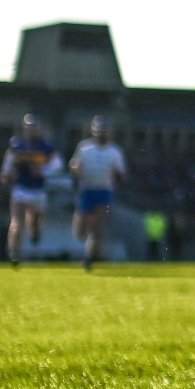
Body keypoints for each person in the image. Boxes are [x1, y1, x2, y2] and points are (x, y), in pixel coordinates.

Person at [0, 114, 60, 269]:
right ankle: (14, 253)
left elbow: (57, 165)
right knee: (17, 222)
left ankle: (35, 232)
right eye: (30, 128)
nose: (32, 131)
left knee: (35, 223)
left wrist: (43, 172)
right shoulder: (17, 145)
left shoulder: (46, 147)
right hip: (21, 189)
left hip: (39, 191)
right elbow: (8, 164)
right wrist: (6, 175)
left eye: (35, 128)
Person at [69, 117, 127, 273]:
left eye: (105, 130)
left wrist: (119, 176)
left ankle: (89, 258)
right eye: (100, 130)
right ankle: (84, 228)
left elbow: (122, 174)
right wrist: (76, 169)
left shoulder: (114, 152)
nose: (102, 133)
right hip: (87, 190)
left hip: (104, 191)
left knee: (97, 228)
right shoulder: (85, 148)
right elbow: (74, 164)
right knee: (80, 233)